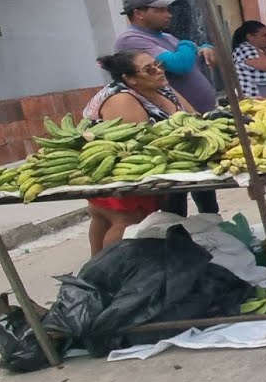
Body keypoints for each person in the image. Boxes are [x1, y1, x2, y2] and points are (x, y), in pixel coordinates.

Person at [114, 0, 219, 216]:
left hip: (193, 117)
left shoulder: (167, 37)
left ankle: (211, 225)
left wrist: (203, 48)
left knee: (205, 183)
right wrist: (189, 43)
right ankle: (176, 230)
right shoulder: (130, 39)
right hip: (170, 122)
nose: (168, 14)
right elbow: (179, 63)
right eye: (160, 10)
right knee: (175, 189)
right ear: (139, 13)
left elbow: (191, 59)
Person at [83, 51, 196, 256]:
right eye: (149, 69)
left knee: (105, 220)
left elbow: (194, 116)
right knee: (125, 220)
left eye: (159, 64)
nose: (159, 70)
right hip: (121, 169)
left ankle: (97, 270)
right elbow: (140, 142)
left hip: (153, 165)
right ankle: (108, 268)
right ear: (130, 78)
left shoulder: (161, 88)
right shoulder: (121, 99)